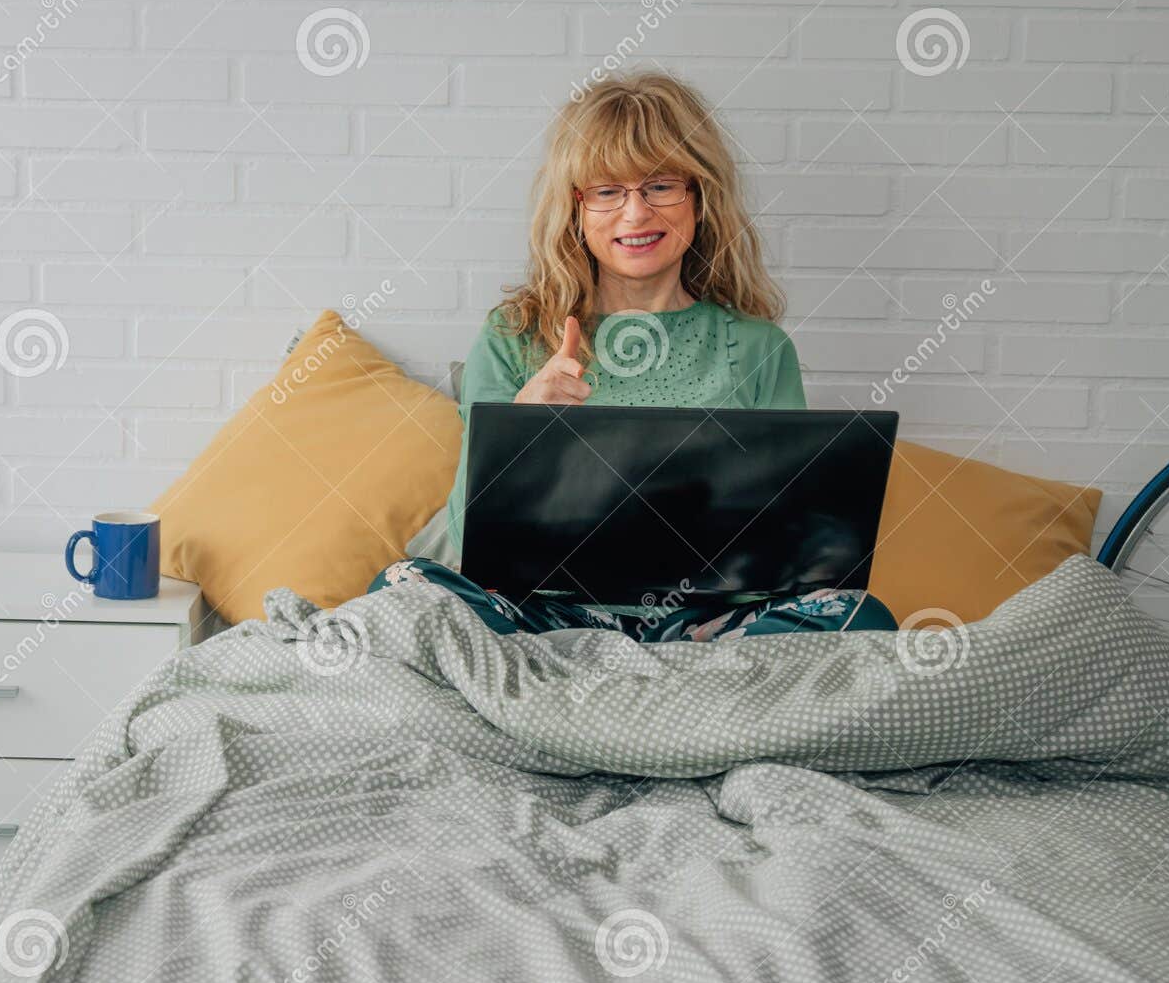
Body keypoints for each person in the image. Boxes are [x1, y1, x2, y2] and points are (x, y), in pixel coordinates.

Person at [372, 71, 894, 642]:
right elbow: (467, 540)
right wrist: (521, 431)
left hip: (702, 623)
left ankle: (650, 678)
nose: (635, 214)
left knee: (859, 615)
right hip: (542, 616)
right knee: (397, 591)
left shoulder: (759, 349)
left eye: (661, 186)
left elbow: (794, 554)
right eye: (606, 191)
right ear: (577, 207)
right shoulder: (515, 335)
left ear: (699, 196)